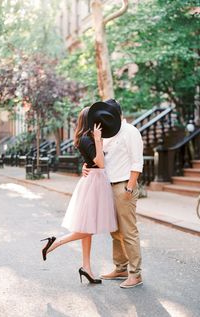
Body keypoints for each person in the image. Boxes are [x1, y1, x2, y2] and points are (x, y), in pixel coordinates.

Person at [41, 104, 121, 284]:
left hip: (95, 181)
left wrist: (98, 143)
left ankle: (87, 268)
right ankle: (55, 243)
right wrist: (99, 141)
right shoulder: (87, 139)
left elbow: (94, 162)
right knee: (87, 229)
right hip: (94, 183)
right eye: (94, 118)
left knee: (88, 229)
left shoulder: (89, 138)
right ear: (88, 121)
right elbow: (100, 163)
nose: (98, 122)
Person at [83, 99, 144, 289]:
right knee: (115, 231)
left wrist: (129, 187)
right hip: (107, 186)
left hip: (124, 185)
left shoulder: (131, 132)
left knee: (128, 231)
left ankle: (135, 274)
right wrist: (85, 167)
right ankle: (120, 268)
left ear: (118, 115)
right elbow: (101, 160)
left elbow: (137, 162)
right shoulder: (108, 133)